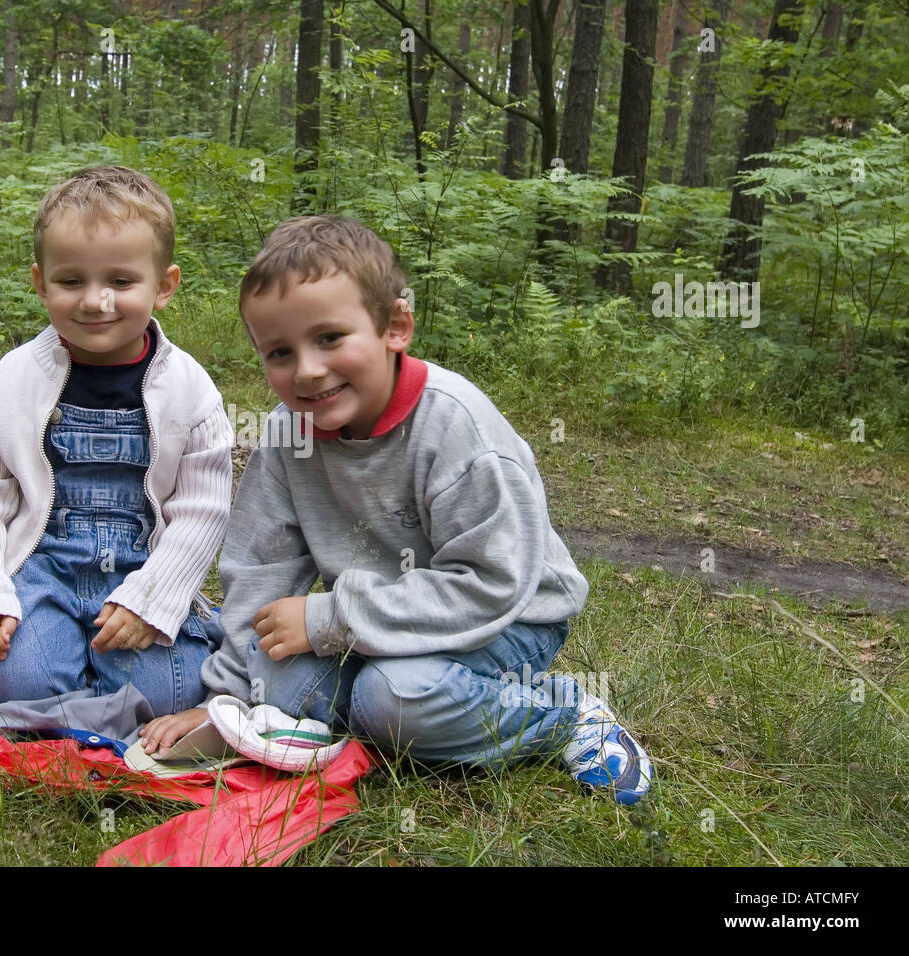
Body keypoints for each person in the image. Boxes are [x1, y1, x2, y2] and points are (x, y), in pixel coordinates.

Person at [139, 214, 653, 804]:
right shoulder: (288, 436)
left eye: (330, 338)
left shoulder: (455, 427)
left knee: (391, 698)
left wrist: (331, 621)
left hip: (508, 618)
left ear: (395, 326)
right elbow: (259, 570)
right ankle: (363, 721)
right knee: (278, 678)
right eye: (280, 352)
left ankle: (561, 714)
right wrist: (223, 702)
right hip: (375, 620)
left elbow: (493, 582)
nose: (307, 369)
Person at [0, 166, 233, 733]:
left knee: (173, 692)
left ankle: (89, 687)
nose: (96, 302)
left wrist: (154, 599)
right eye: (71, 282)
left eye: (121, 280)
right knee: (14, 679)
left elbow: (202, 510)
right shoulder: (11, 382)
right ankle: (65, 675)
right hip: (41, 567)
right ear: (40, 282)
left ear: (164, 286)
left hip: (143, 568)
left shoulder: (190, 389)